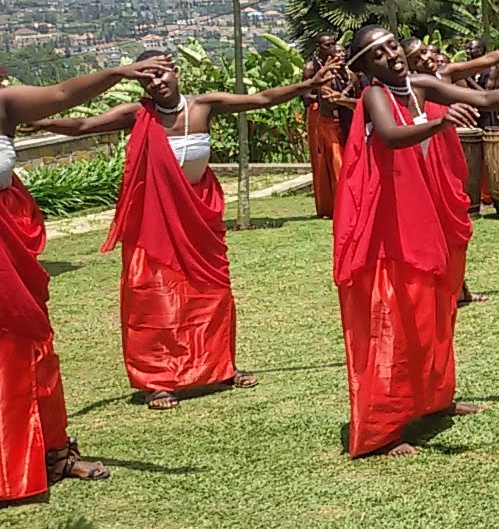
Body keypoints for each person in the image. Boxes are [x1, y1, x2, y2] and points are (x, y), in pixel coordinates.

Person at [28, 51, 339, 411]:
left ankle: (220, 366)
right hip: (154, 220)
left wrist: (307, 85)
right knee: (153, 296)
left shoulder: (203, 106)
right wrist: (44, 124)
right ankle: (158, 380)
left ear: (175, 72)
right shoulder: (138, 114)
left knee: (212, 292)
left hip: (199, 218)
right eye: (147, 79)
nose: (156, 83)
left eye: (160, 74)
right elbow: (86, 126)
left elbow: (262, 99)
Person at [333, 25, 499, 458]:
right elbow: (389, 135)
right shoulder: (375, 97)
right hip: (390, 226)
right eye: (378, 54)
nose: (390, 56)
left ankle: (434, 400)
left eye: (391, 46)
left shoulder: (419, 85)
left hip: (424, 216)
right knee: (397, 318)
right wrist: (441, 122)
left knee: (434, 311)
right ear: (365, 67)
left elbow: (479, 99)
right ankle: (383, 426)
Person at [2, 57, 175, 502]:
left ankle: (53, 452)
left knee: (27, 344)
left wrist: (118, 74)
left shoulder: (3, 104)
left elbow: (62, 95)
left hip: (7, 248)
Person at [404, 28, 499, 304]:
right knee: (433, 226)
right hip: (425, 161)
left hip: (448, 155)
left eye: (426, 51)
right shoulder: (411, 87)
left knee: (456, 225)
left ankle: (457, 287)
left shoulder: (445, 74)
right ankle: (440, 290)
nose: (427, 58)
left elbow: (489, 59)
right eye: (417, 57)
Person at [302, 32, 347, 218]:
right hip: (318, 114)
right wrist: (324, 97)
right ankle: (328, 204)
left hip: (336, 114)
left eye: (333, 43)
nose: (331, 47)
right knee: (324, 159)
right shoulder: (311, 67)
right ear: (319, 47)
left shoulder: (339, 66)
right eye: (327, 45)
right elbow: (305, 95)